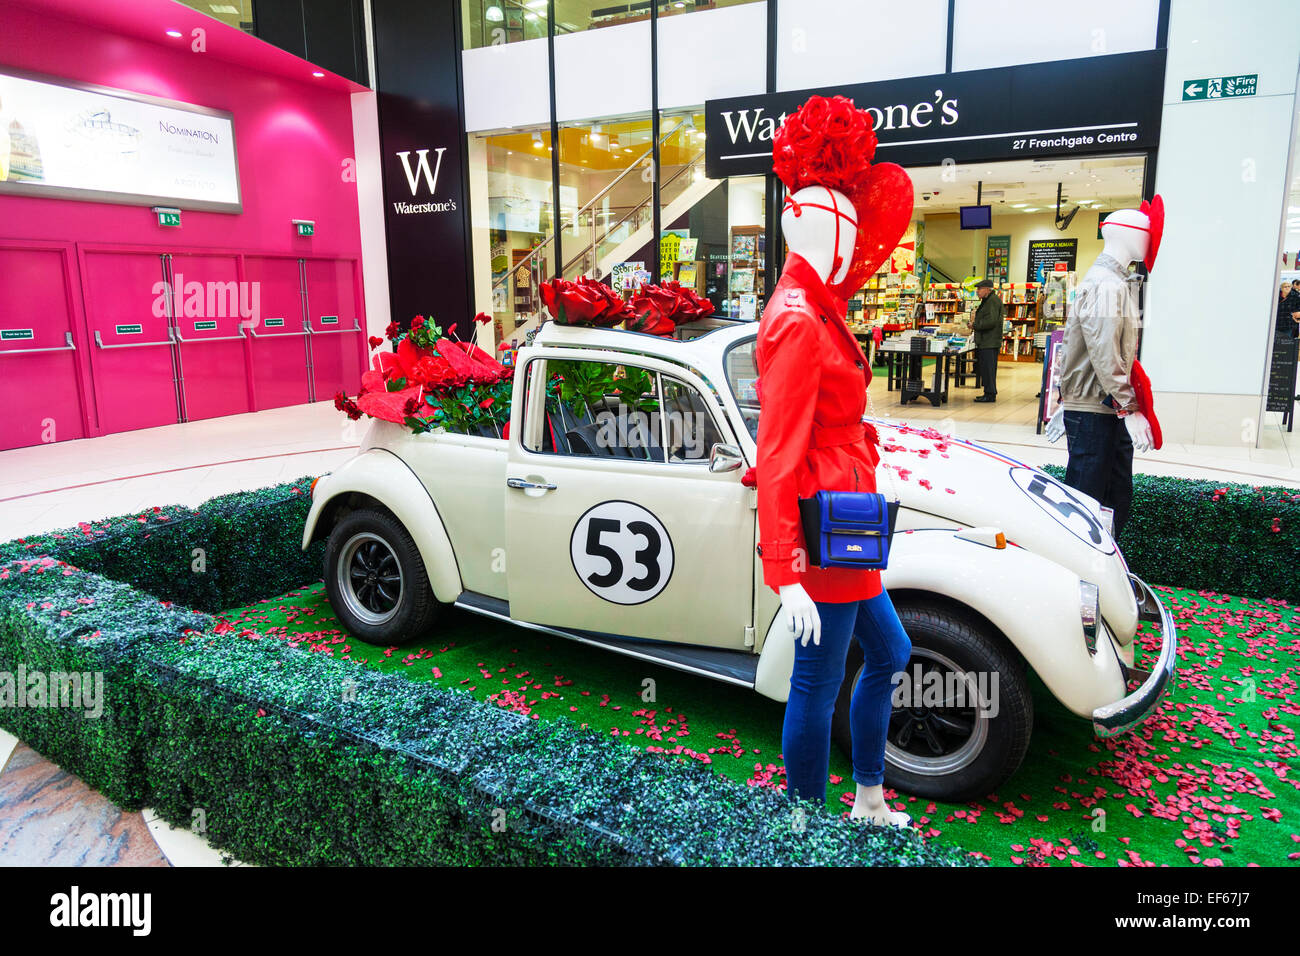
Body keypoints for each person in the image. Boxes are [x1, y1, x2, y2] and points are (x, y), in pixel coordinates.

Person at [757, 94, 915, 826]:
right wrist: (785, 572)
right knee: (817, 681)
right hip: (828, 532)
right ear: (798, 223)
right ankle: (806, 824)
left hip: (845, 523)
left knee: (890, 651)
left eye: (847, 228)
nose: (844, 244)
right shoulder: (797, 320)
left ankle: (867, 796)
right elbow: (780, 451)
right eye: (829, 225)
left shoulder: (818, 309)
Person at [970, 278, 1004, 402]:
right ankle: (988, 392)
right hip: (986, 341)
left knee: (989, 369)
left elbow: (991, 321)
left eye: (979, 289)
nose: (977, 292)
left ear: (987, 289)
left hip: (989, 341)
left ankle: (990, 394)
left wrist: (975, 325)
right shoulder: (988, 300)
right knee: (986, 368)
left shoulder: (992, 302)